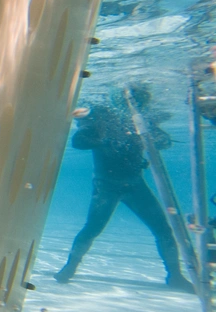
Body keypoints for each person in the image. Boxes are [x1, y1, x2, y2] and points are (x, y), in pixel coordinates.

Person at [55, 84, 194, 292]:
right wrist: (102, 138)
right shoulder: (100, 117)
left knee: (163, 229)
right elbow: (78, 142)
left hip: (135, 184)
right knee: (92, 229)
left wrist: (153, 135)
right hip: (106, 185)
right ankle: (70, 267)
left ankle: (175, 275)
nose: (139, 105)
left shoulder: (142, 120)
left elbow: (164, 142)